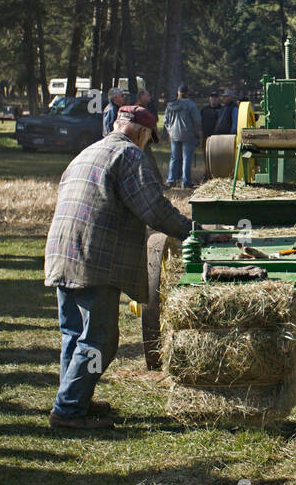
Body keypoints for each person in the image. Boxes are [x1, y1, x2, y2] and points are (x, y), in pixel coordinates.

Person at [44, 105, 191, 431]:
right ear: (141, 133)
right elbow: (154, 209)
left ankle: (73, 399)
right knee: (99, 339)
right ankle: (68, 412)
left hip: (62, 252)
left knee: (73, 333)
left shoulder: (89, 152)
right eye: (149, 140)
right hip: (93, 258)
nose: (147, 146)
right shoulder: (129, 156)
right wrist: (192, 231)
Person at [163, 83, 202, 189]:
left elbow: (165, 121)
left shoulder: (170, 105)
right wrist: (197, 133)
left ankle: (171, 180)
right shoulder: (191, 105)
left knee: (174, 158)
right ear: (187, 93)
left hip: (174, 135)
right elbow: (197, 121)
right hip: (188, 135)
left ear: (178, 93)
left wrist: (170, 132)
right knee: (186, 159)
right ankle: (185, 182)